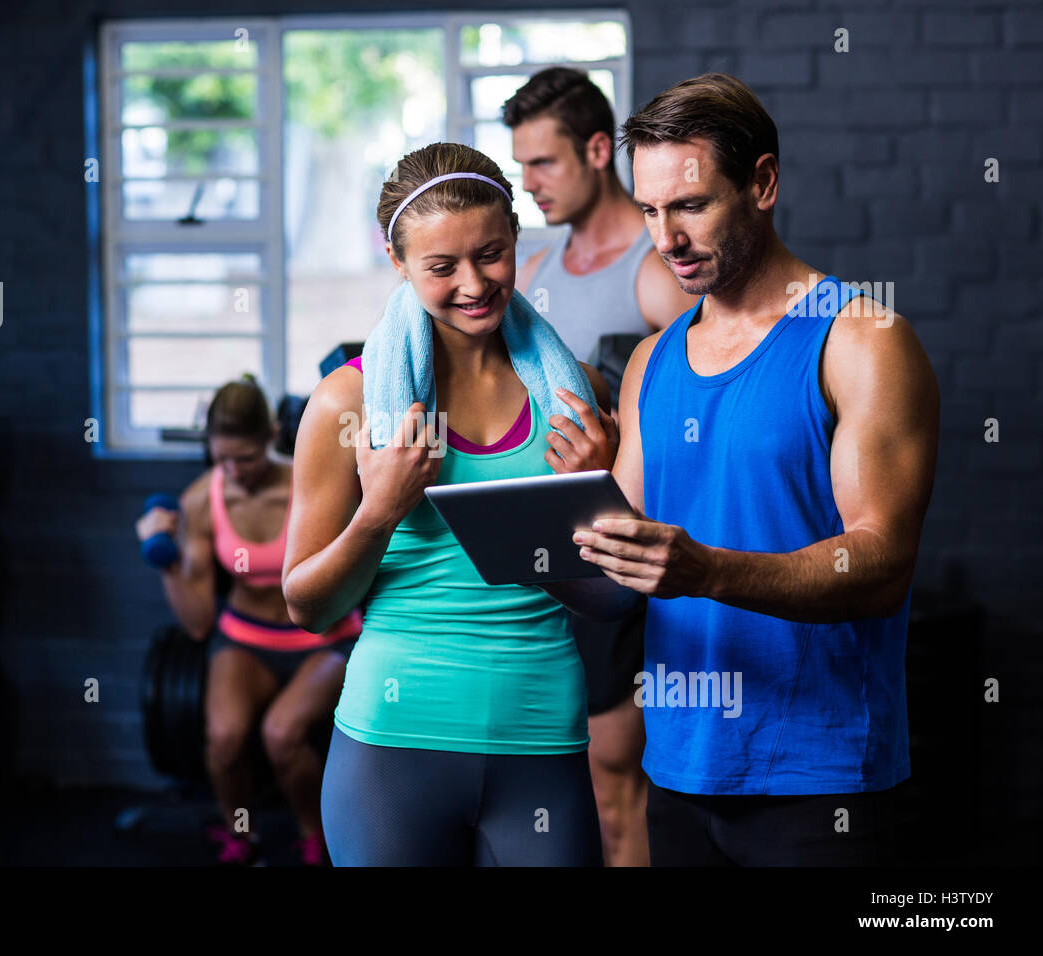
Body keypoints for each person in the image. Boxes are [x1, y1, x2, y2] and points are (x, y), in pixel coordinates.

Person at [575, 74, 939, 865]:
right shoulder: (650, 361)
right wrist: (546, 533)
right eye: (649, 210)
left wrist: (706, 571)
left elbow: (881, 565)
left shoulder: (860, 339)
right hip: (676, 766)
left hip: (818, 777)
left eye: (692, 205)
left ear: (763, 183)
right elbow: (620, 576)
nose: (665, 237)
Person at [283, 142, 625, 866]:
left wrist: (591, 502)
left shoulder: (575, 397)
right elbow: (307, 606)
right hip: (393, 744)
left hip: (543, 734)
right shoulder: (349, 402)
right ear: (397, 260)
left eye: (492, 254)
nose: (474, 284)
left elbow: (612, 602)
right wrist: (379, 512)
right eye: (441, 267)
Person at [504, 66, 697, 867]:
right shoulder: (529, 269)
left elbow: (707, 419)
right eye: (519, 167)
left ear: (594, 149)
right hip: (540, 560)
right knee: (562, 785)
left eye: (542, 164)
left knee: (619, 788)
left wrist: (616, 447)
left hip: (616, 555)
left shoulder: (653, 274)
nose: (529, 185)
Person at [136, 375, 361, 866]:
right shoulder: (201, 500)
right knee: (224, 738)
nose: (235, 471)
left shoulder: (310, 482)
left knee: (282, 735)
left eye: (247, 457)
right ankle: (242, 834)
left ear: (272, 435)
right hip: (245, 638)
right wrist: (166, 562)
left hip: (323, 638)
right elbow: (197, 624)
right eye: (223, 459)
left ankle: (314, 837)